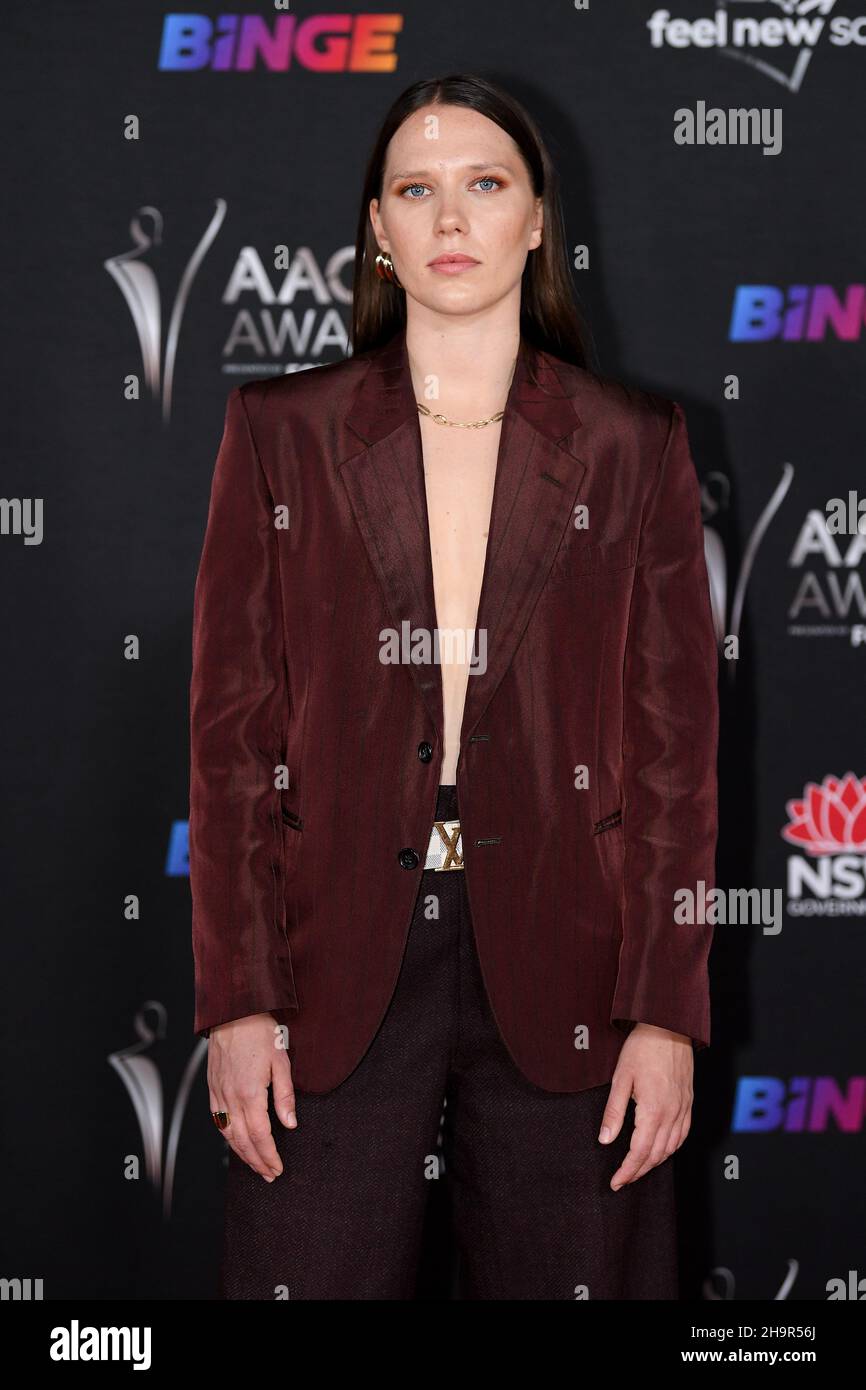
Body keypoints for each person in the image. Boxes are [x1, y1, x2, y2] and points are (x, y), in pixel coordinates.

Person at [189, 72, 719, 1300]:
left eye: (484, 183)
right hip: (325, 968)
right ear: (377, 226)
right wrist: (238, 1001)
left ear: (535, 220)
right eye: (414, 189)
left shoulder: (633, 445)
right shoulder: (280, 434)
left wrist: (661, 1013)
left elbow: (672, 756)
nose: (449, 218)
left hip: (574, 967)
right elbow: (229, 743)